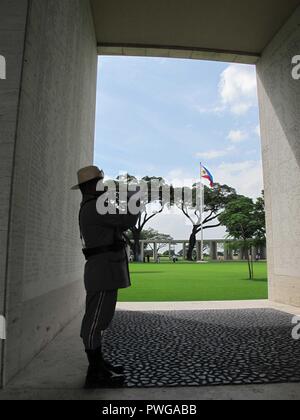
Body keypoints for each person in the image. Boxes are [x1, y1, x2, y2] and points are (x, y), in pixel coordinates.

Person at [71, 166, 139, 389]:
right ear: (91, 186)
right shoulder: (96, 207)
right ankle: (95, 373)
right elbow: (128, 219)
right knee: (94, 323)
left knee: (100, 318)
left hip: (104, 270)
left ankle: (99, 365)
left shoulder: (94, 206)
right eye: (100, 182)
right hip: (102, 271)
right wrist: (134, 198)